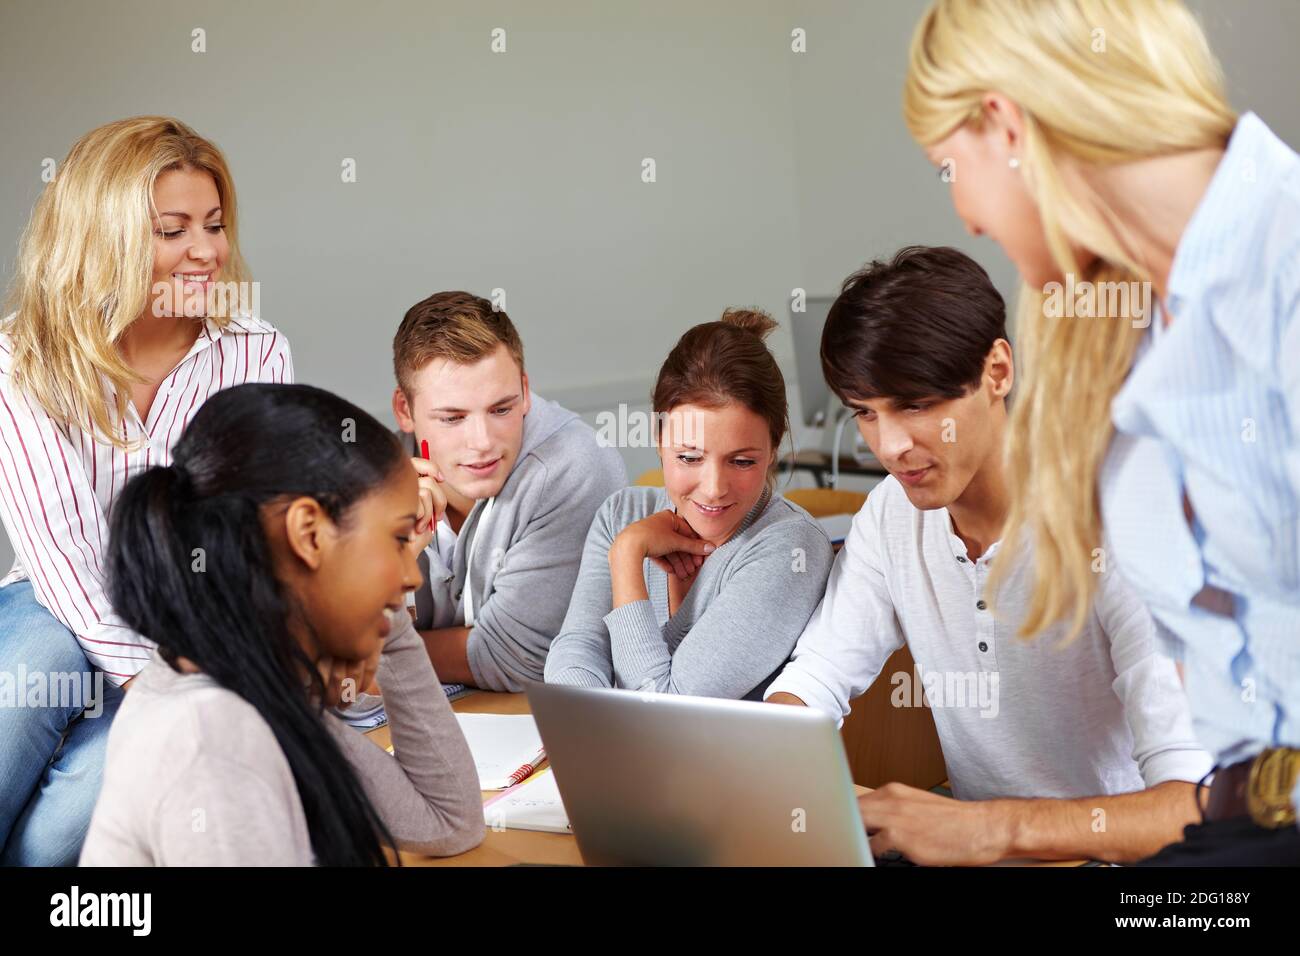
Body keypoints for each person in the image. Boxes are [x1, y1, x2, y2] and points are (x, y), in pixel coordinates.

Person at [904, 0, 1300, 863]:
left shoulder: (1286, 264)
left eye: (948, 168)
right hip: (1240, 822)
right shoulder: (1118, 325)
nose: (967, 216)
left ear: (1005, 124)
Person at [766, 246, 1210, 865]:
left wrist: (989, 828)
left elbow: (1195, 809)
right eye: (865, 413)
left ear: (997, 371)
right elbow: (817, 676)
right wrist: (768, 759)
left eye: (916, 405)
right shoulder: (891, 515)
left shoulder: (1120, 524)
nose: (889, 446)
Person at [0, 116, 292, 865]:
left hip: (189, 615)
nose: (206, 251)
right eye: (173, 230)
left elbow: (251, 526)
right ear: (105, 236)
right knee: (37, 665)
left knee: (89, 797)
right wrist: (144, 678)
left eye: (215, 224)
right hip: (55, 602)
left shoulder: (256, 349)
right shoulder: (21, 357)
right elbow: (62, 547)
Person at [80, 383, 484, 866]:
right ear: (308, 533)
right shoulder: (214, 735)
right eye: (398, 538)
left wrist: (382, 604)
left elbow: (447, 821)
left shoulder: (253, 687)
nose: (412, 573)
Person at [546, 309, 833, 699]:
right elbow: (577, 650)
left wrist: (627, 556)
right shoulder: (621, 515)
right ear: (659, 442)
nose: (714, 488)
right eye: (689, 458)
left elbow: (666, 708)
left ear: (773, 450)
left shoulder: (792, 546)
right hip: (621, 756)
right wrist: (580, 723)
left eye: (742, 461)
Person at [390, 291, 626, 691]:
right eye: (453, 418)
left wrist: (372, 657)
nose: (482, 442)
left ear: (526, 390)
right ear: (404, 412)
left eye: (501, 409)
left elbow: (516, 660)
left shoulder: (577, 465)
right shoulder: (366, 478)